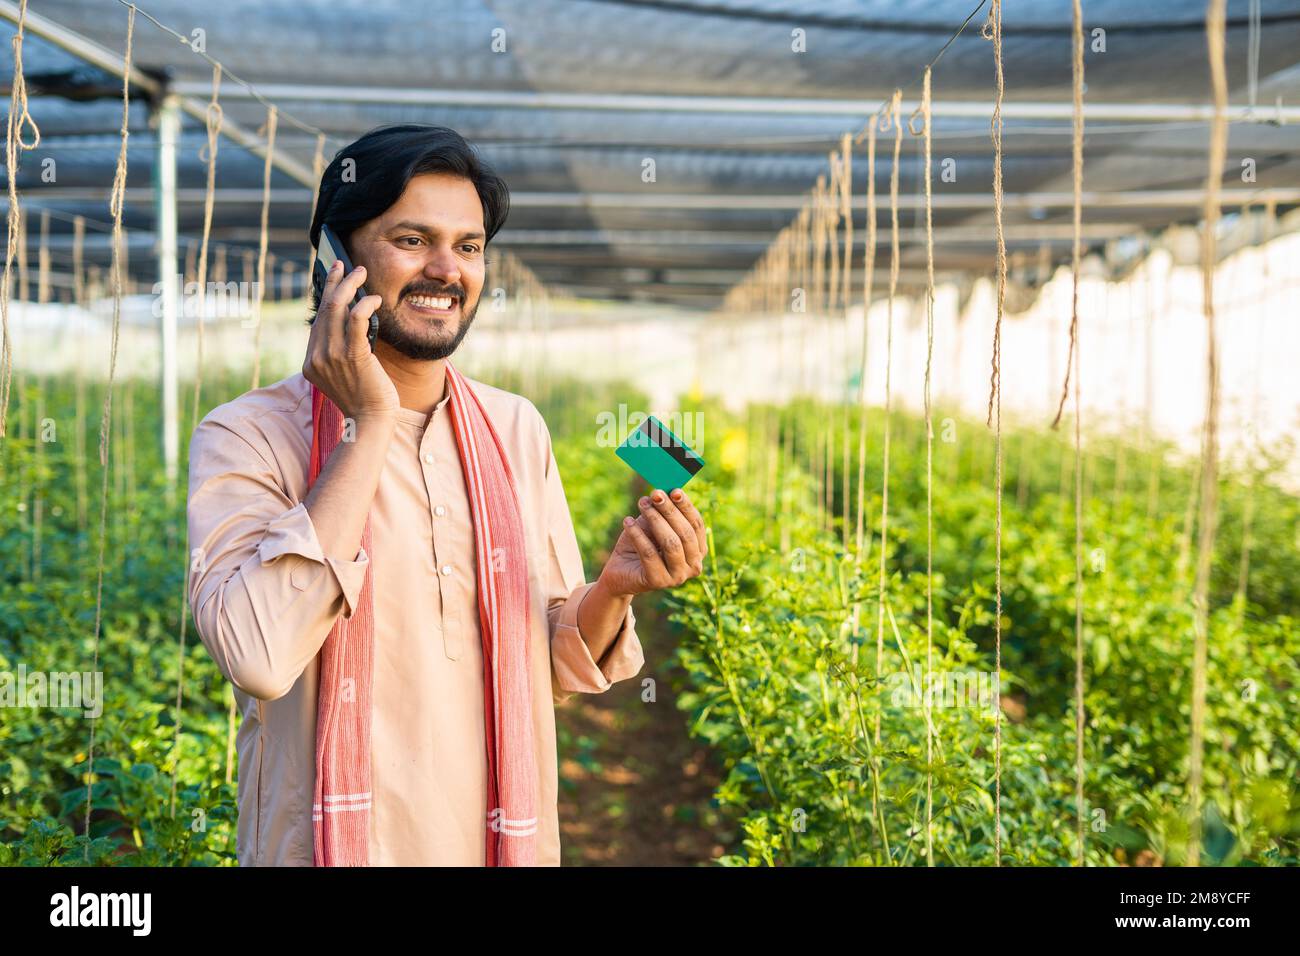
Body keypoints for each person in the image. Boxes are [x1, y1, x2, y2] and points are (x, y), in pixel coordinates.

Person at [185, 125, 708, 866]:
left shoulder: (513, 428)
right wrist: (370, 425)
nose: (446, 269)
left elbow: (552, 663)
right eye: (412, 240)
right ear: (336, 259)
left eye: (468, 246)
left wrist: (615, 589)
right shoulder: (248, 435)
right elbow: (259, 658)